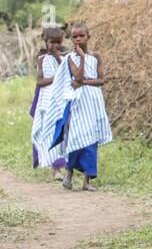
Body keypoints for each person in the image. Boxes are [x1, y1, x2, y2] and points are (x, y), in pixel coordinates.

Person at [39, 24, 113, 192]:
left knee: (91, 139)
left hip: (93, 101)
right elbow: (77, 78)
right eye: (74, 37)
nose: (78, 39)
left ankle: (87, 181)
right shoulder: (71, 58)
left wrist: (85, 81)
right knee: (75, 136)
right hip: (78, 103)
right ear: (71, 39)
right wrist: (82, 59)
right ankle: (69, 174)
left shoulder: (96, 56)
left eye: (81, 36)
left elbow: (100, 80)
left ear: (88, 37)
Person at [31, 26, 68, 181]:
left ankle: (62, 165)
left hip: (61, 99)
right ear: (46, 42)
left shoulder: (65, 57)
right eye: (52, 42)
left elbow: (68, 72)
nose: (55, 45)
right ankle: (55, 168)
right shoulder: (42, 59)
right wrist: (57, 78)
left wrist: (59, 57)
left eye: (58, 42)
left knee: (61, 132)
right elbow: (40, 81)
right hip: (47, 100)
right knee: (49, 132)